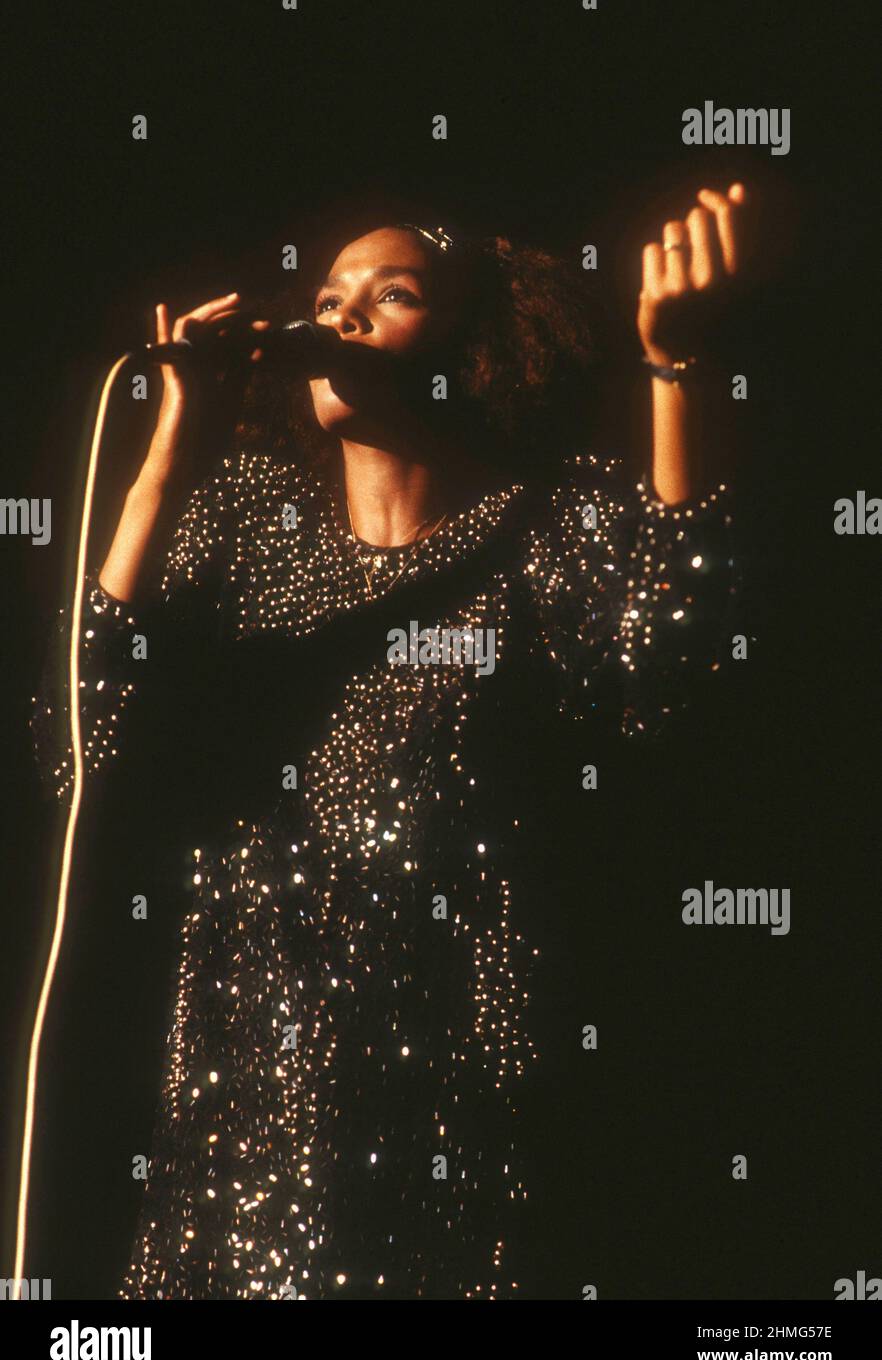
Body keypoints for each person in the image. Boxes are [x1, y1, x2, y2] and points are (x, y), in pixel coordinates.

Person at [31, 188, 749, 1299]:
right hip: (235, 1138)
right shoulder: (245, 526)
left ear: (476, 346)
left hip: (452, 1135)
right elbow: (81, 747)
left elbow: (672, 656)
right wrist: (172, 452)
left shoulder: (544, 526)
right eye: (329, 299)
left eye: (393, 296)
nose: (345, 317)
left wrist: (676, 367)